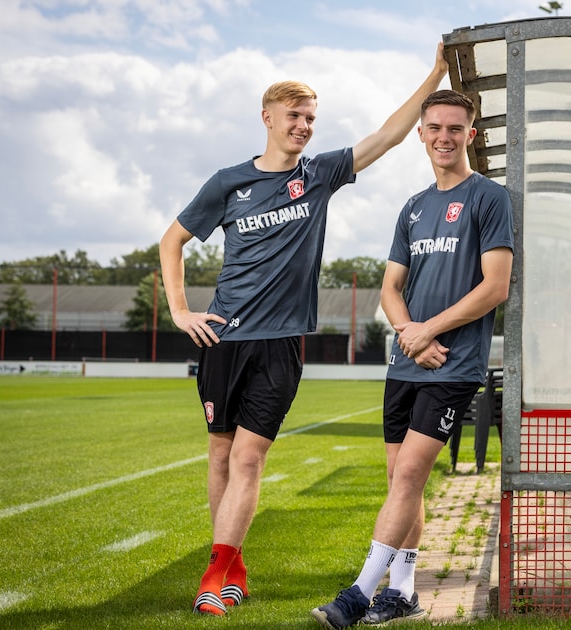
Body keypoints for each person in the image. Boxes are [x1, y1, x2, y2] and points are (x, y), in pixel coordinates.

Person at [159, 45, 448, 617]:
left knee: (248, 458)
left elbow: (389, 134)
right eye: (294, 116)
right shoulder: (228, 183)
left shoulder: (320, 174)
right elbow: (172, 241)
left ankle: (215, 575)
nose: (303, 127)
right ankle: (233, 567)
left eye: (311, 118)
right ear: (267, 118)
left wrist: (435, 73)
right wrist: (180, 310)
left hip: (279, 345)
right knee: (220, 457)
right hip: (222, 338)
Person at [311, 89, 513, 628]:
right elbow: (390, 288)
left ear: (470, 134)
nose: (443, 137)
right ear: (421, 135)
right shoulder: (413, 207)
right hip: (406, 364)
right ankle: (402, 593)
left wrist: (429, 332)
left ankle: (358, 592)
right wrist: (408, 333)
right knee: (402, 481)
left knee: (407, 481)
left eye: (454, 128)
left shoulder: (490, 199)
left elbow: (495, 288)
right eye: (434, 128)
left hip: (453, 364)